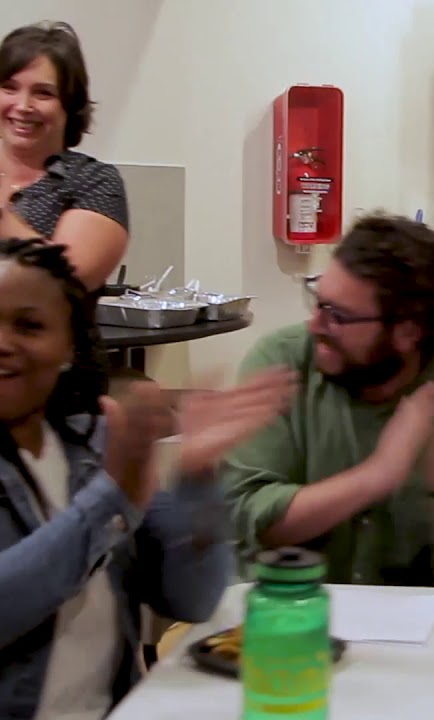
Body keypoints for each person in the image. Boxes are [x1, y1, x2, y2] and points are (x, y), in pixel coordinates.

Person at [0, 238, 295, 718]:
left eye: (29, 326)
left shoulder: (94, 444)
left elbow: (192, 599)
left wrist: (197, 477)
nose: (3, 343)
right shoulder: (111, 473)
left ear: (69, 345)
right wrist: (110, 499)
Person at [222, 214, 434, 588]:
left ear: (408, 331)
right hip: (291, 604)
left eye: (338, 316)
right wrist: (378, 474)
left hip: (416, 615)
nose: (315, 325)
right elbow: (251, 520)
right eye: (318, 301)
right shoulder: (281, 364)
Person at [0, 22, 128, 291]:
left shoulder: (93, 181)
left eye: (43, 93)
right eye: (9, 88)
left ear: (70, 104)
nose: (23, 106)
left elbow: (68, 282)